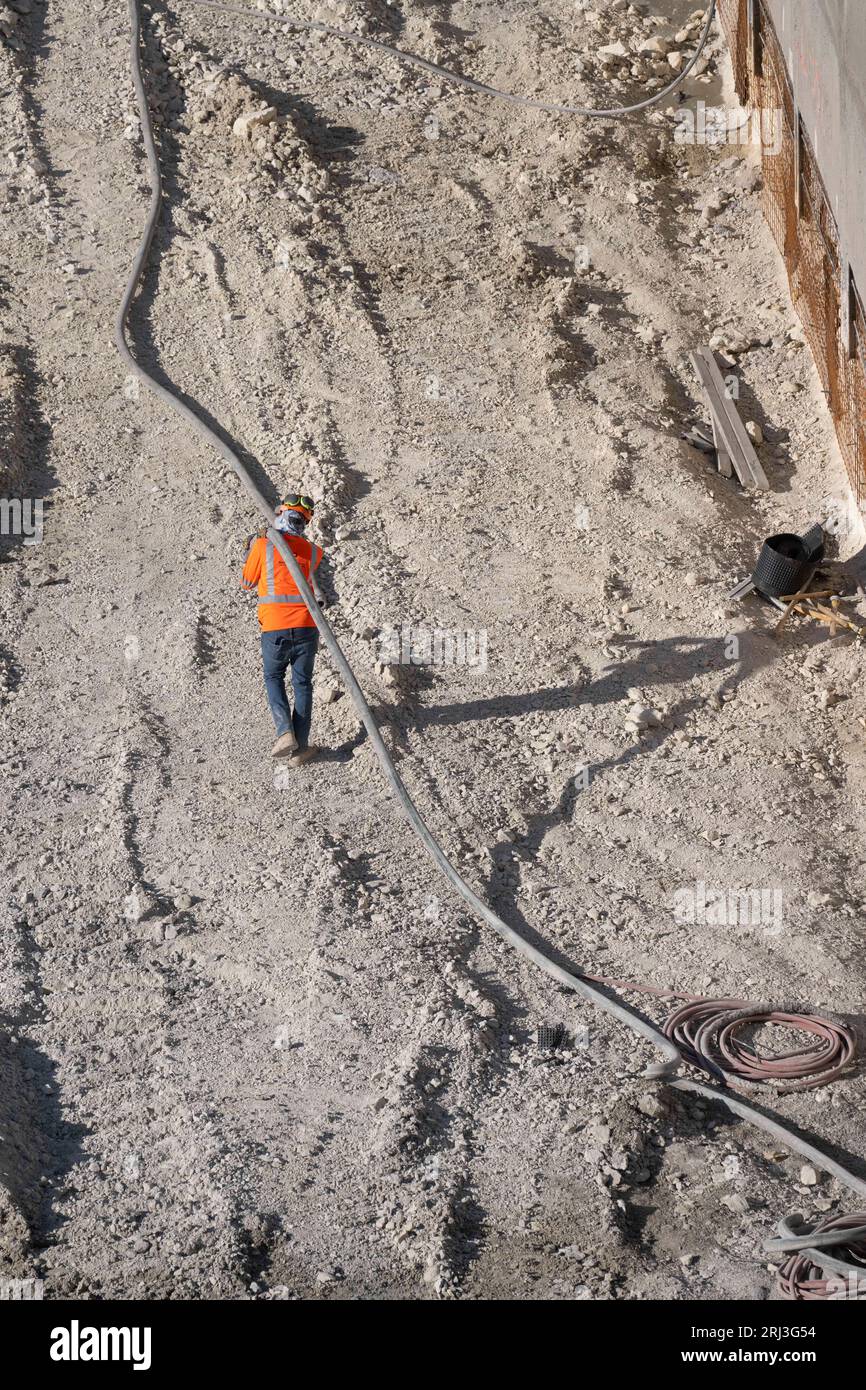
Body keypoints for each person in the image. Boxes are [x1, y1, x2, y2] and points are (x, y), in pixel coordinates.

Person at [242, 493, 326, 764]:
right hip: (306, 627)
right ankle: (300, 748)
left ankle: (284, 733)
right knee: (302, 683)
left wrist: (252, 547)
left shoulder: (264, 546)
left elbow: (247, 583)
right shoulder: (314, 551)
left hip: (275, 627)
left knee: (273, 678)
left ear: (281, 514)